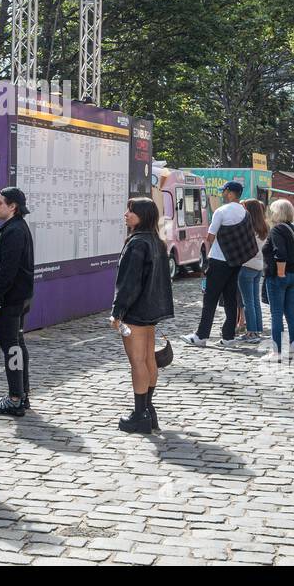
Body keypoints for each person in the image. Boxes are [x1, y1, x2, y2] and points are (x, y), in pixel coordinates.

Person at [110, 197, 174, 433]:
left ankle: (140, 415)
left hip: (136, 311)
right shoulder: (156, 242)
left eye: (131, 210)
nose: (126, 214)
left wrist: (117, 312)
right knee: (148, 359)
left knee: (138, 361)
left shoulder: (137, 244)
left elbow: (128, 283)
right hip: (151, 310)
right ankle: (148, 409)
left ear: (143, 215)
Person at [0, 187, 35, 417]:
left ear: (13, 206)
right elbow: (6, 262)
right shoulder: (14, 228)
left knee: (11, 348)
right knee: (17, 344)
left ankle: (15, 398)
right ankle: (21, 394)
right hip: (18, 298)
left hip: (11, 301)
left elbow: (9, 271)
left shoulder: (14, 230)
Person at [182, 180, 246, 347]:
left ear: (230, 193)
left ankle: (201, 336)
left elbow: (210, 237)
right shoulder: (244, 212)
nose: (222, 194)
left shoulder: (221, 211)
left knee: (210, 299)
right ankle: (228, 337)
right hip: (235, 261)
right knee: (231, 299)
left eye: (224, 191)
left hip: (218, 259)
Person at [263, 199, 294, 359]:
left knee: (277, 314)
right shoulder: (293, 229)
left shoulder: (277, 229)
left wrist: (280, 272)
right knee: (290, 313)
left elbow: (280, 253)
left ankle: (276, 352)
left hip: (280, 275)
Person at [237, 199, 269, 344]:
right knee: (255, 301)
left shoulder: (248, 227)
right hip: (258, 265)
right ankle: (257, 329)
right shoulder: (264, 226)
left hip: (246, 265)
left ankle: (251, 332)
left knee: (247, 302)